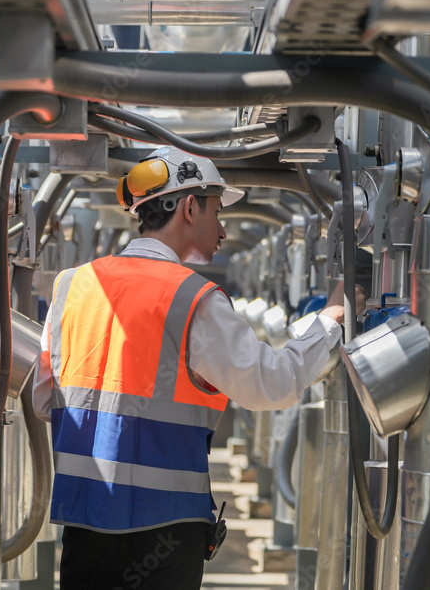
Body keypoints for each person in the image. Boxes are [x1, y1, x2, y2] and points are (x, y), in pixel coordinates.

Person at [32, 146, 364, 589]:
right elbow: (272, 384)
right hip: (164, 532)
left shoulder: (73, 285)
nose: (223, 229)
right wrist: (329, 321)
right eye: (216, 211)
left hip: (84, 522)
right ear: (189, 207)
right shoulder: (192, 298)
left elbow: (43, 398)